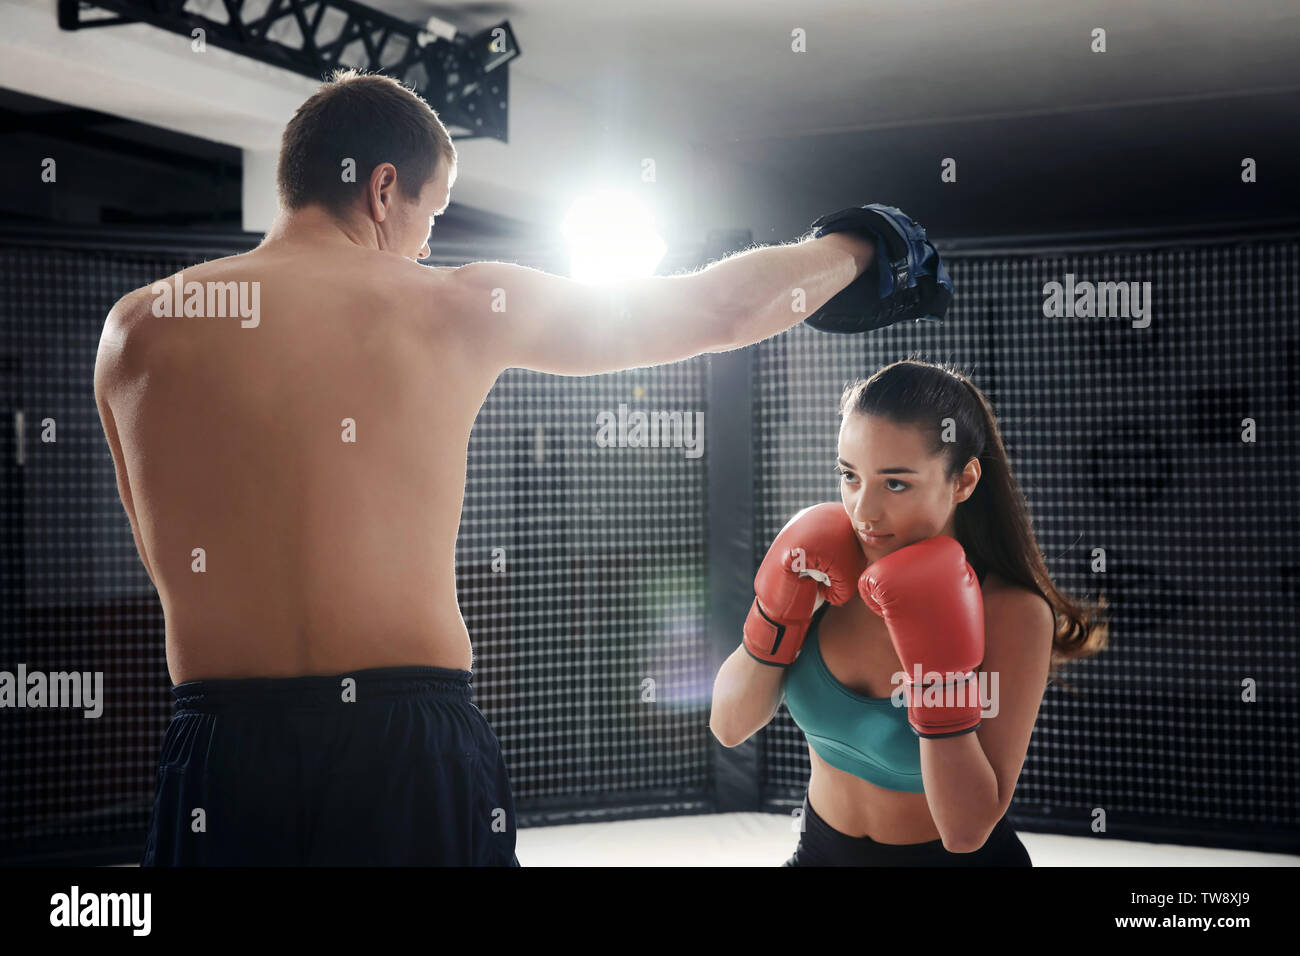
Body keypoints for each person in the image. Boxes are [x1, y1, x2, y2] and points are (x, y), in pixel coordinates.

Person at [93, 69, 881, 865]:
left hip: (223, 754)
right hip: (405, 744)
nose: (427, 243)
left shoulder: (137, 330)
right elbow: (718, 311)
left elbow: (158, 542)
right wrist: (856, 247)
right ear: (383, 187)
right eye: (430, 213)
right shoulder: (452, 306)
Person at [710, 359, 1109, 866]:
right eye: (850, 477)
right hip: (819, 854)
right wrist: (776, 613)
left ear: (963, 481)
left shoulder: (1012, 613)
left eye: (895, 484)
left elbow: (966, 830)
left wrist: (939, 676)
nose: (864, 511)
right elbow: (728, 726)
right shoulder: (819, 569)